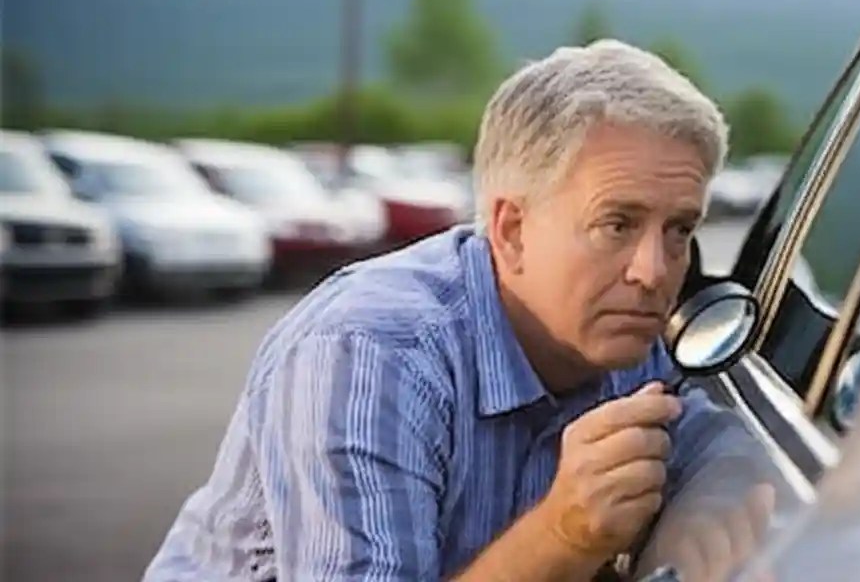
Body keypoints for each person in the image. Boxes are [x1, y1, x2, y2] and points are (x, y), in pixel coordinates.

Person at [142, 40, 774, 582]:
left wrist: (715, 497)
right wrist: (562, 537)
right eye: (617, 224)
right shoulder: (368, 353)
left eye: (680, 230)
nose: (655, 271)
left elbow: (724, 438)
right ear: (512, 230)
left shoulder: (632, 345)